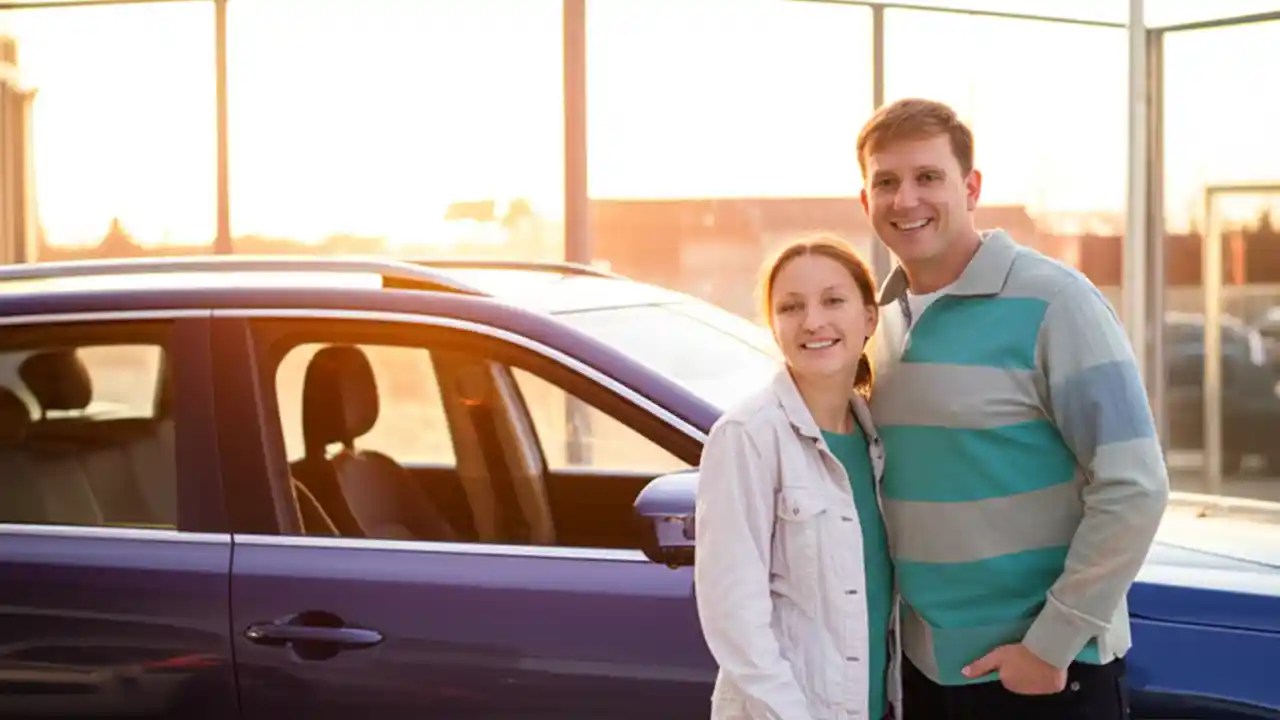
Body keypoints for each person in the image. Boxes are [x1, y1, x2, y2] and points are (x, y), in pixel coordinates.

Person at [856, 97, 1170, 719]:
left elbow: (1135, 486)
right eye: (886, 182)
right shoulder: (878, 323)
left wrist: (1050, 646)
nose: (905, 199)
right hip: (925, 673)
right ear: (865, 202)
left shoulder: (1058, 302)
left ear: (970, 187)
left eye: (928, 177)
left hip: (1041, 678)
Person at [695, 236, 899, 720]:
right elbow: (735, 621)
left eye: (833, 300)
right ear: (773, 325)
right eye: (791, 307)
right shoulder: (747, 436)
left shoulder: (879, 440)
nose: (812, 321)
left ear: (869, 318)